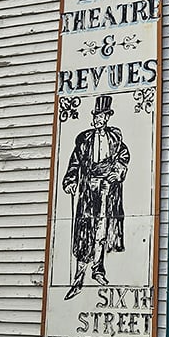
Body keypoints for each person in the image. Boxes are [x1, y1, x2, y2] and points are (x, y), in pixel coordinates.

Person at [62, 95, 130, 300]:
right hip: (88, 189)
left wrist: (114, 175)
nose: (97, 119)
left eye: (101, 116)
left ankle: (98, 269)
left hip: (107, 190)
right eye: (96, 116)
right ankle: (78, 276)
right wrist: (70, 180)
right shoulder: (84, 140)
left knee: (102, 229)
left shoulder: (115, 138)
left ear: (107, 117)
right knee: (85, 232)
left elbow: (123, 157)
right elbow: (75, 161)